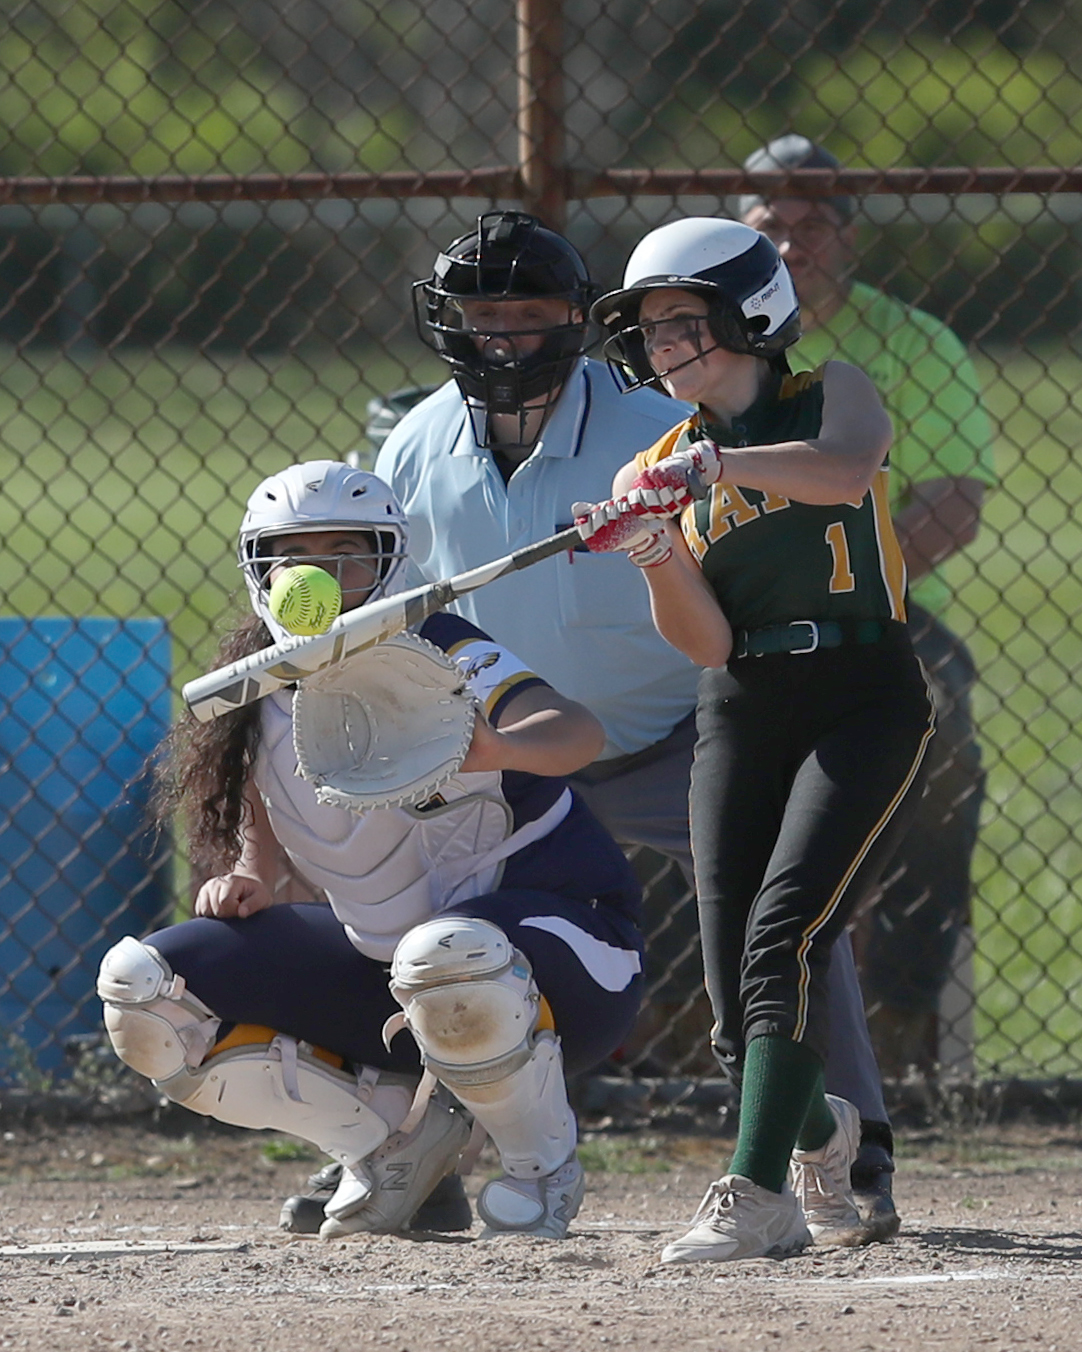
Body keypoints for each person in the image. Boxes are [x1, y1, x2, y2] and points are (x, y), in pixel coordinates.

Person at [375, 209, 904, 1234]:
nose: (506, 336)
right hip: (515, 754)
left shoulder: (653, 419)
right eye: (484, 316)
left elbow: (809, 490)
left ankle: (855, 1146)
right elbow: (404, 606)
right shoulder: (416, 444)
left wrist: (670, 519)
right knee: (411, 914)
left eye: (530, 312)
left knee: (787, 918)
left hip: (673, 736)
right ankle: (410, 1146)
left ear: (574, 320)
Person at [95, 459, 644, 1242]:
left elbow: (577, 733)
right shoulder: (257, 677)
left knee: (447, 952)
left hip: (569, 958)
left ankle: (540, 1166)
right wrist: (253, 872)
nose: (320, 576)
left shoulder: (443, 648)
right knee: (146, 989)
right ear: (260, 569)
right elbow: (267, 786)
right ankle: (390, 1153)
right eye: (295, 556)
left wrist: (492, 747)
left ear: (389, 560)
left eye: (346, 553)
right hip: (390, 969)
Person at [581, 217, 935, 1263]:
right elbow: (708, 640)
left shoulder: (830, 391)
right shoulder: (657, 464)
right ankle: (822, 1136)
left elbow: (845, 469)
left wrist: (718, 467)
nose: (661, 344)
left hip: (861, 689)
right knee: (736, 980)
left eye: (681, 320)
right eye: (648, 330)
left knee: (786, 931)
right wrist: (650, 546)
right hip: (740, 703)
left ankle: (757, 1190)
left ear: (751, 313)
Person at [738, 135, 996, 1077]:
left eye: (815, 223)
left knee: (943, 734)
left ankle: (898, 1008)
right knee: (647, 724)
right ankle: (677, 1009)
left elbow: (954, 504)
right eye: (771, 221)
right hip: (729, 611)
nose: (793, 242)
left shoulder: (913, 345)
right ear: (740, 233)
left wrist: (834, 579)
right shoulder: (703, 341)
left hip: (882, 607)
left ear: (849, 237)